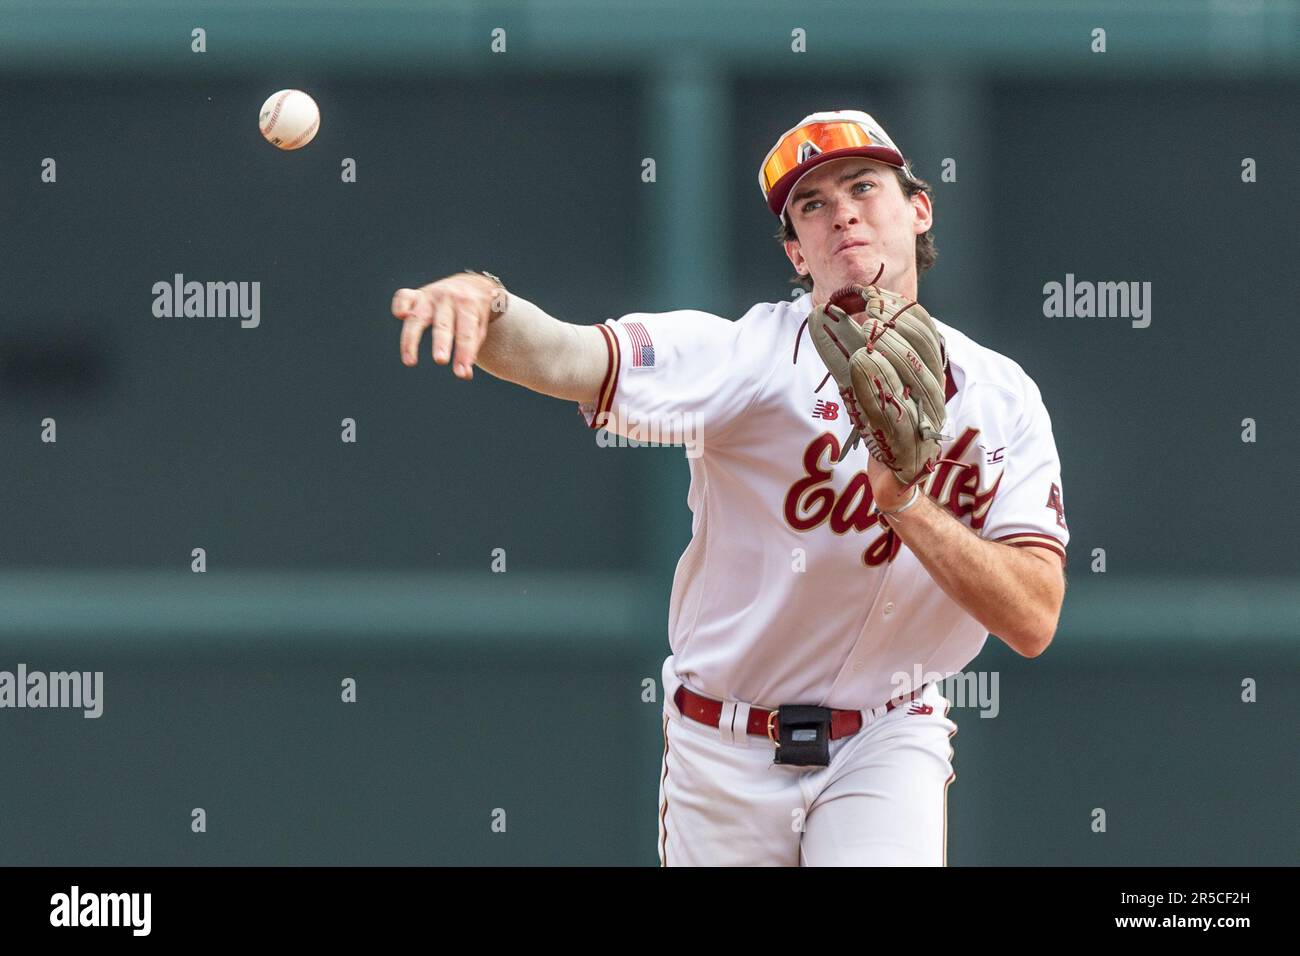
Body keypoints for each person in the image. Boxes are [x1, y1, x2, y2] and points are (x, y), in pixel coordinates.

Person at [391, 109, 1068, 866]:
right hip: (726, 743)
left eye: (864, 186)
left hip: (889, 731)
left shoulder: (1002, 396)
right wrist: (487, 299)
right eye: (811, 204)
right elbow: (571, 358)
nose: (842, 210)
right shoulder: (750, 359)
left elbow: (1034, 617)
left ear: (918, 208)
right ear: (796, 251)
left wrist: (907, 505)